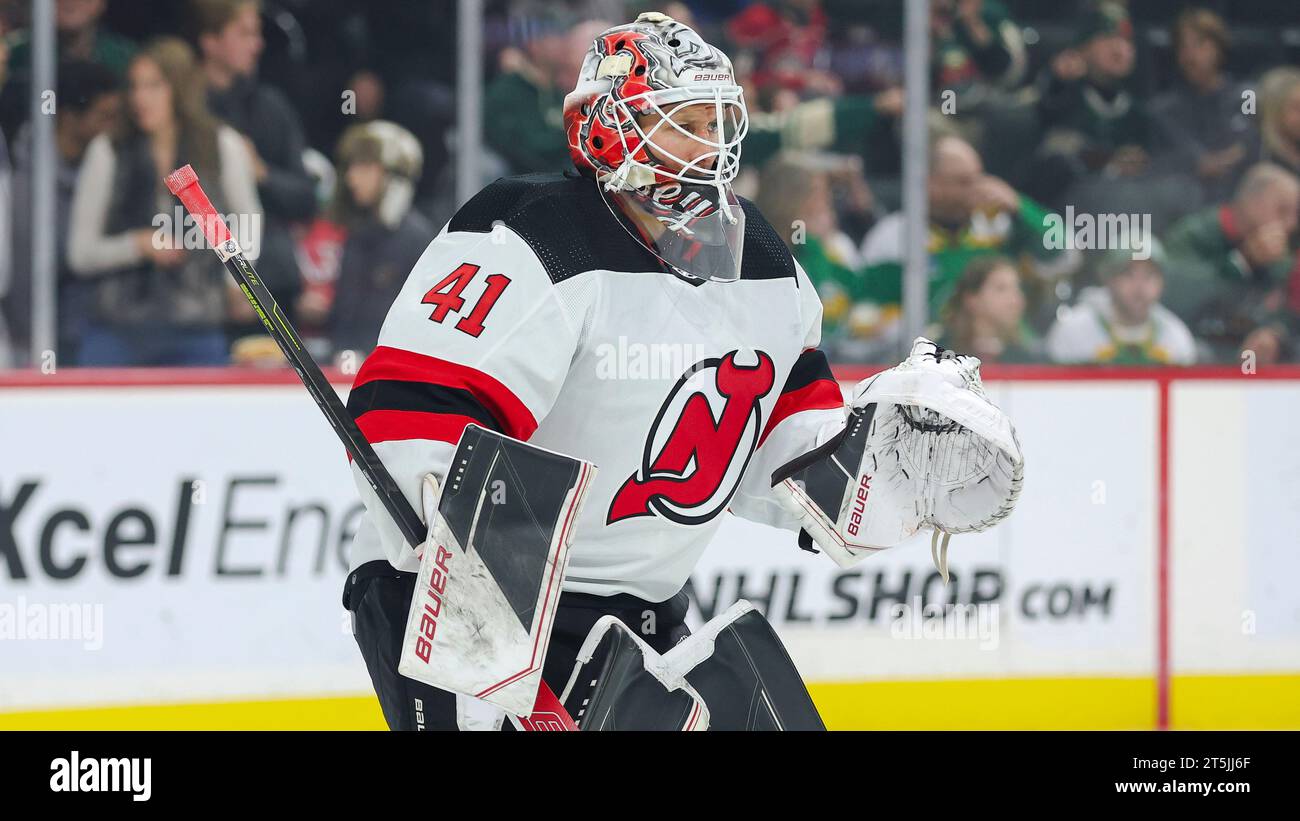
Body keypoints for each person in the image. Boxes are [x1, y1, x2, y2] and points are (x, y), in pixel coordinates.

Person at [341, 12, 1019, 731]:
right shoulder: (530, 235)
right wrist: (468, 592)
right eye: (682, 120)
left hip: (637, 607)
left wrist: (879, 470)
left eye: (717, 118)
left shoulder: (761, 260)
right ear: (606, 128)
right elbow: (411, 413)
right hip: (461, 601)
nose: (710, 140)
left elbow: (785, 444)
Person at [66, 37, 262, 366]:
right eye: (135, 87)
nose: (141, 98)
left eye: (154, 86)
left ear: (180, 88)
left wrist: (236, 281)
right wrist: (137, 245)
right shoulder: (108, 150)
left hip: (197, 327)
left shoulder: (221, 144)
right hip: (116, 331)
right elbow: (80, 252)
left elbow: (249, 219)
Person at [193, 0, 315, 343]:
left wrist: (261, 173)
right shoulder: (183, 110)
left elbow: (306, 198)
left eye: (257, 34)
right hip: (193, 288)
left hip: (271, 284)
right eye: (244, 33)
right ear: (210, 41)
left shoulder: (271, 107)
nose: (257, 44)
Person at [7, 60, 121, 367]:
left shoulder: (109, 167)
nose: (113, 128)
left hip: (94, 337)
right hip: (38, 344)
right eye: (105, 116)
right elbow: (25, 276)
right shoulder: (26, 185)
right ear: (70, 118)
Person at [1162, 163, 1299, 363]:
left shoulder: (1279, 258)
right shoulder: (1194, 235)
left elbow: (1285, 314)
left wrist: (1274, 335)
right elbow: (1175, 299)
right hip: (1191, 357)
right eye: (1282, 210)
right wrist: (1242, 262)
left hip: (1253, 369)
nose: (1292, 223)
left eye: (1295, 214)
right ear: (1252, 201)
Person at [325, 120, 434, 357]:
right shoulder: (356, 234)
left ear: (393, 176)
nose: (351, 178)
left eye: (364, 167)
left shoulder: (417, 239)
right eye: (351, 167)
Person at [1046, 247, 1196, 366]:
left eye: (1150, 276)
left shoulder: (1176, 336)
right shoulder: (1073, 331)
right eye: (1128, 274)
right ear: (1109, 278)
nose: (1140, 287)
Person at [936, 255, 1041, 364]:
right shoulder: (941, 357)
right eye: (1001, 289)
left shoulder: (1026, 360)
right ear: (972, 299)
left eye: (1017, 289)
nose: (1015, 300)